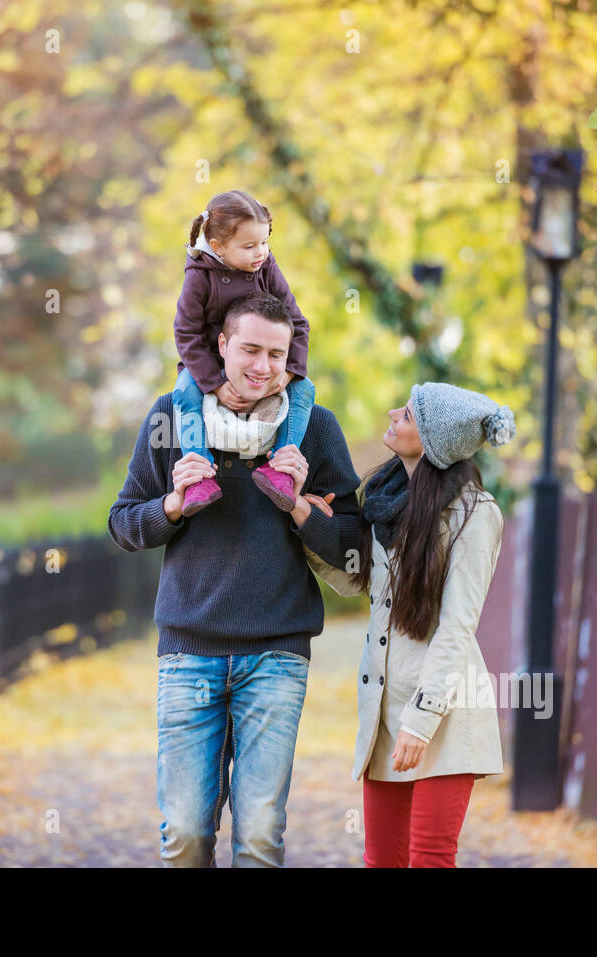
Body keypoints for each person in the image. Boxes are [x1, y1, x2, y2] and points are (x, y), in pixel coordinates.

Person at [108, 291, 359, 867]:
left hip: (276, 653)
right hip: (188, 652)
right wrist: (173, 504)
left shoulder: (314, 428)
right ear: (221, 345)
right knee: (185, 835)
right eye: (250, 349)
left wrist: (300, 505)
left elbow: (352, 548)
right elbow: (122, 524)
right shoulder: (171, 418)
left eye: (277, 354)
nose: (263, 366)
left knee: (260, 835)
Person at [306, 382, 516, 867]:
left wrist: (420, 724)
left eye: (407, 414)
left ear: (433, 440)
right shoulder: (386, 502)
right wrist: (305, 522)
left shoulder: (475, 515)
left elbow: (457, 627)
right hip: (386, 710)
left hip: (444, 713)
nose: (391, 413)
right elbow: (360, 581)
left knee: (429, 858)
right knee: (381, 860)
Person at [172, 190, 316, 516]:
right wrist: (215, 384)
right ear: (219, 246)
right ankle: (198, 474)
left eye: (264, 242)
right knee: (184, 394)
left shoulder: (266, 266)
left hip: (260, 365)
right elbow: (186, 333)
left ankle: (280, 468)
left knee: (305, 389)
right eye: (250, 246)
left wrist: (288, 372)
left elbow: (297, 322)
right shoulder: (199, 275)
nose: (260, 252)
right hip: (208, 365)